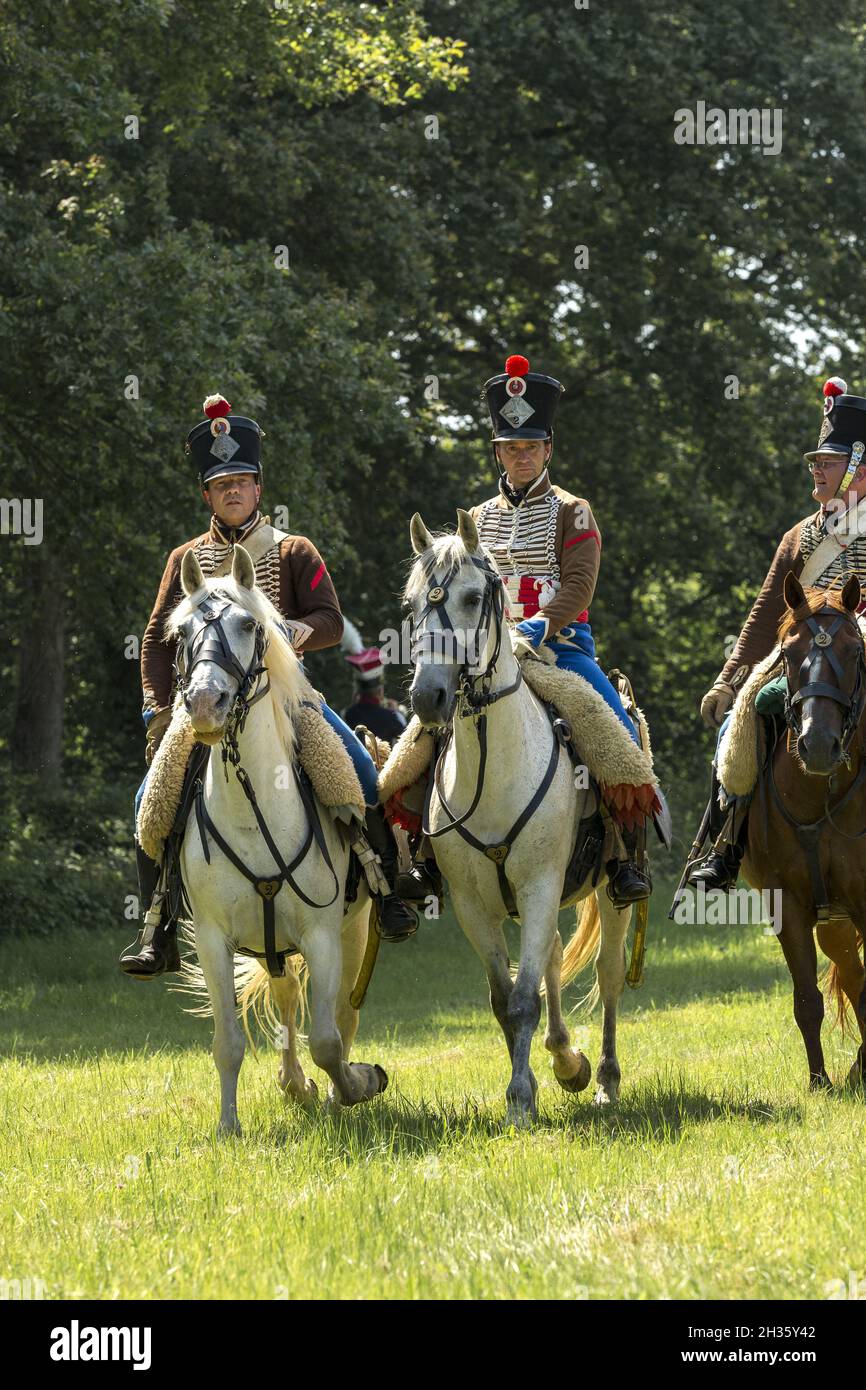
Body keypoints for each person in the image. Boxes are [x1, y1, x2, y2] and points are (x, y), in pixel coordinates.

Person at [120, 394, 417, 979]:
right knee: (148, 802)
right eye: (221, 483)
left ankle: (386, 889)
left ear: (258, 488)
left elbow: (331, 620)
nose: (232, 490)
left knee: (358, 769)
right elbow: (156, 641)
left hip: (287, 700)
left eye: (242, 480)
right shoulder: (186, 558)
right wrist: (158, 710)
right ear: (206, 495)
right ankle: (155, 926)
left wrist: (284, 632)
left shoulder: (292, 549)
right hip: (203, 705)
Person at [399, 354, 656, 909]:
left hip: (560, 650)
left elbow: (581, 585)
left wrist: (540, 624)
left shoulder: (575, 511)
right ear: (498, 451)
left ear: (547, 450)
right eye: (511, 448)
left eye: (531, 447)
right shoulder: (476, 519)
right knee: (422, 737)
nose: (521, 456)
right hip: (487, 658)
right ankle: (423, 856)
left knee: (617, 731)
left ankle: (621, 856)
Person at [688, 376, 866, 890]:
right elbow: (766, 613)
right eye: (816, 460)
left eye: (827, 461)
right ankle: (724, 845)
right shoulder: (800, 536)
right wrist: (727, 680)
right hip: (803, 655)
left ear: (856, 467)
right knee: (738, 726)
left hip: (861, 652)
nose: (816, 467)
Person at [340, 621, 408, 743]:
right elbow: (407, 741)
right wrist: (397, 713)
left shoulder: (348, 714)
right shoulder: (392, 717)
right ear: (380, 690)